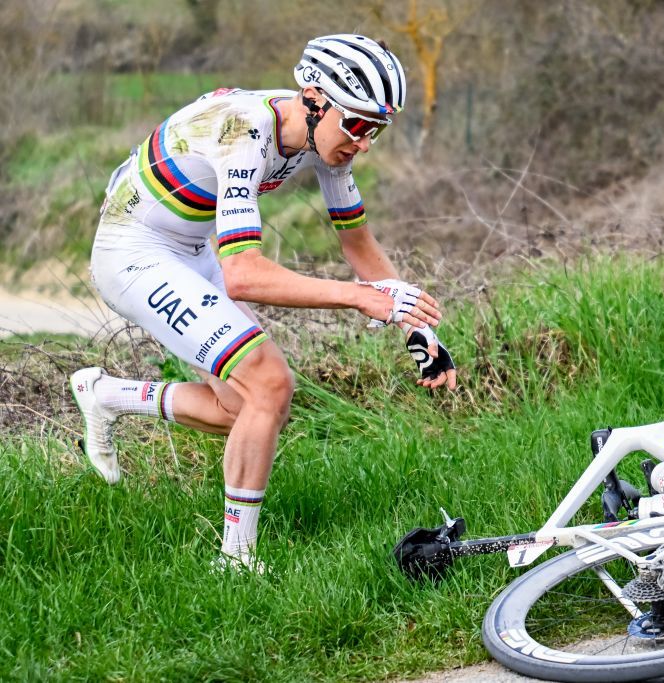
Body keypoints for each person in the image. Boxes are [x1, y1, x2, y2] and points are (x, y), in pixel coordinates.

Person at [69, 34, 456, 571]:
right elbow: (245, 274)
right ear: (317, 100)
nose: (365, 143)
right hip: (133, 249)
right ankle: (236, 562)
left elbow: (357, 243)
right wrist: (361, 299)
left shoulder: (323, 139)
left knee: (244, 407)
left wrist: (418, 328)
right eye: (360, 126)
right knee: (270, 383)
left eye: (377, 130)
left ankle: (107, 394)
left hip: (186, 244)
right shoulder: (244, 131)